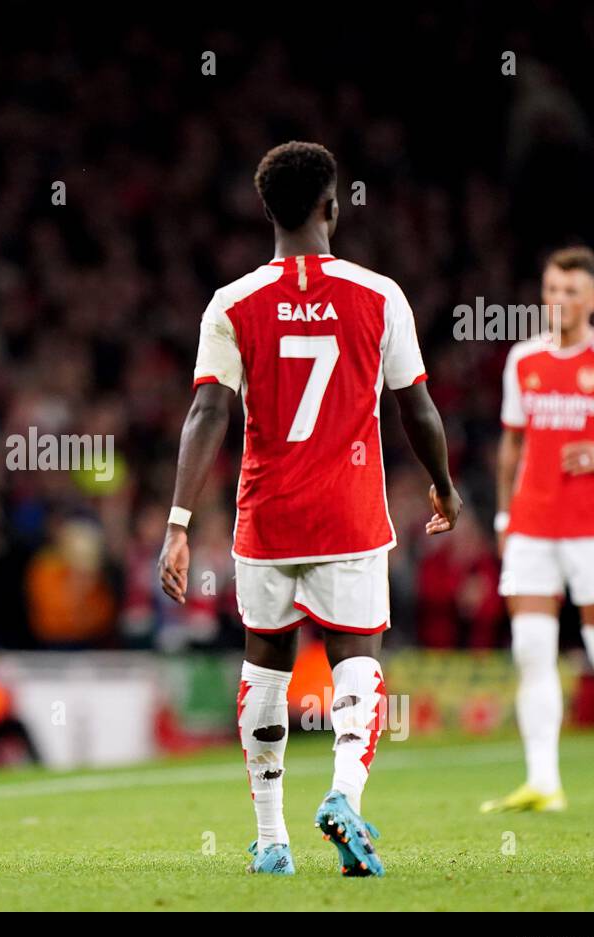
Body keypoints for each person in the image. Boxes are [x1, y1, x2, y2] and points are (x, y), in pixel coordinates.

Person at [159, 141, 461, 878]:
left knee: (265, 663)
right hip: (349, 514)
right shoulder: (379, 295)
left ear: (266, 210)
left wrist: (177, 523)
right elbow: (416, 407)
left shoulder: (232, 303)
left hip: (265, 520)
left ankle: (271, 841)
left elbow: (206, 414)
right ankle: (344, 797)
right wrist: (444, 486)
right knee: (357, 658)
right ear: (333, 207)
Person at [482, 246, 594, 814]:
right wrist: (505, 516)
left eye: (570, 291)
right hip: (533, 525)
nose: (557, 300)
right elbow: (512, 443)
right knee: (533, 650)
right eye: (551, 289)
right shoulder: (524, 359)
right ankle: (543, 782)